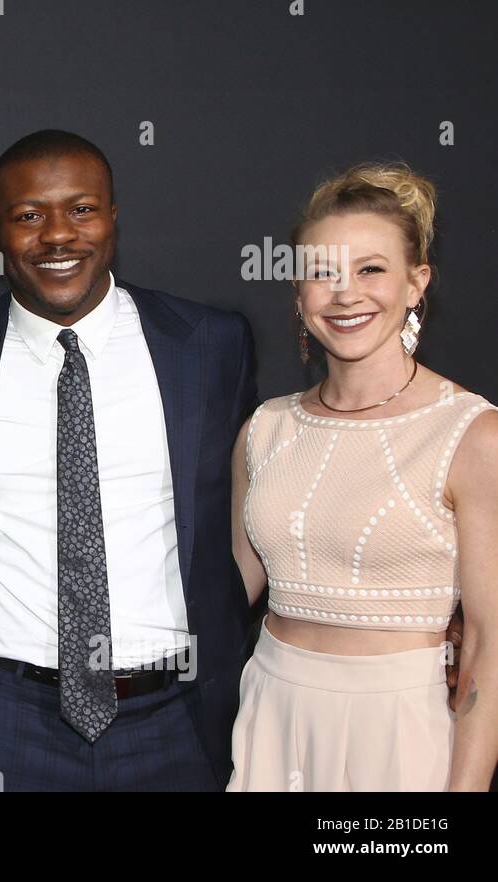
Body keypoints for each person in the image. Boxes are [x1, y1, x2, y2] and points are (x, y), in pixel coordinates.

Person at [0, 130, 257, 791]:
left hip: (179, 717)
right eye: (29, 215)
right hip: (5, 717)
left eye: (83, 209)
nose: (59, 235)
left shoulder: (210, 347)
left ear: (114, 218)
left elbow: (256, 507)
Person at [228, 162, 498, 791]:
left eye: (371, 269)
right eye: (322, 273)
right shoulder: (264, 430)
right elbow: (225, 595)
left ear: (416, 283)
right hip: (272, 712)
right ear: (298, 295)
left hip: (401, 733)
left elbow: (489, 641)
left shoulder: (472, 434)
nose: (345, 293)